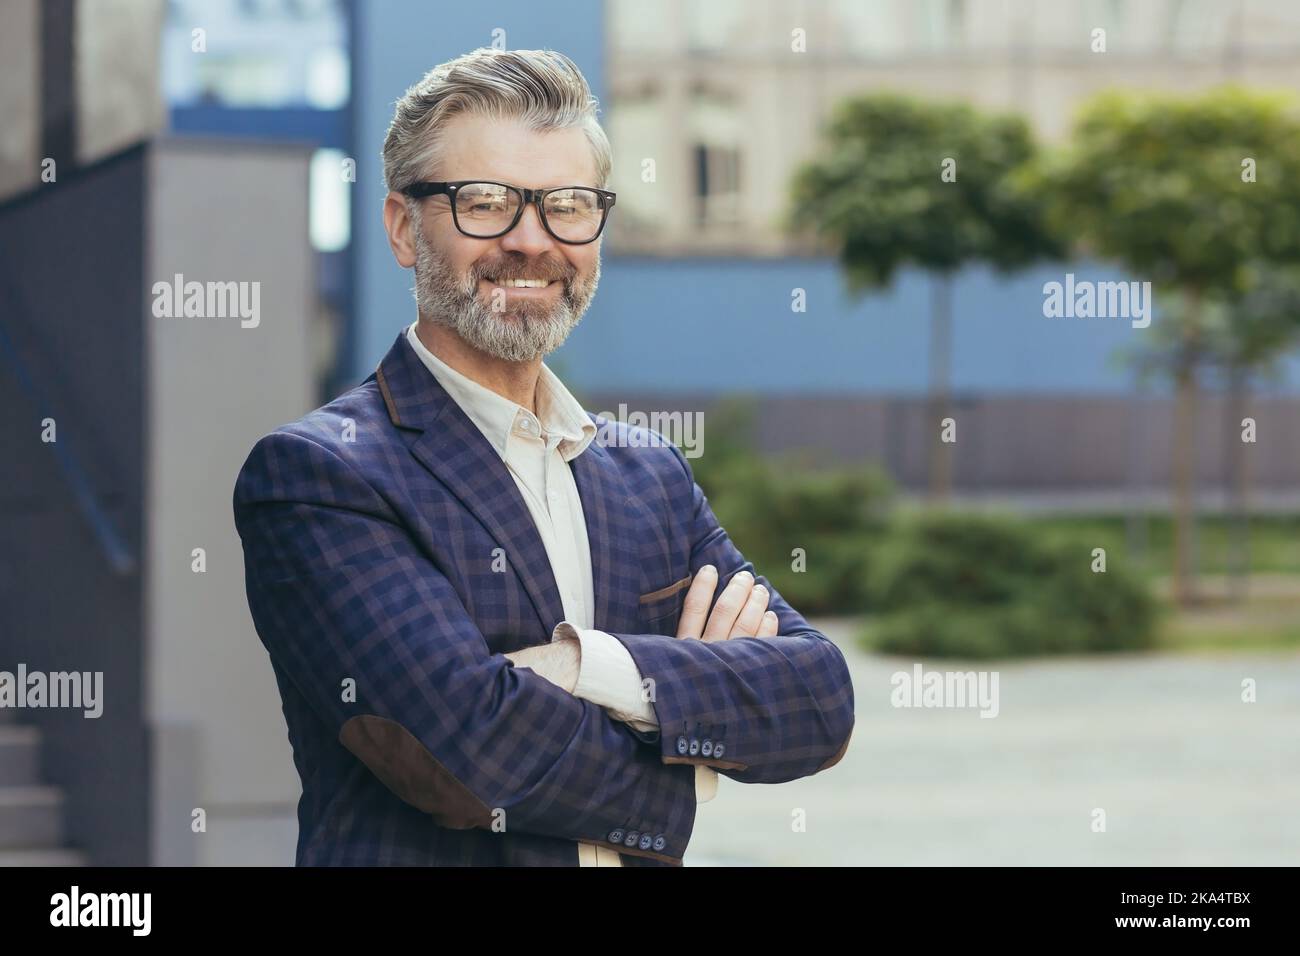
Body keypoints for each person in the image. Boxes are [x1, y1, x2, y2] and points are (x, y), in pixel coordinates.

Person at [233, 47, 854, 866]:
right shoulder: (322, 475)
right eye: (485, 203)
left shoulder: (648, 476)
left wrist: (581, 666)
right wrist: (691, 733)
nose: (532, 241)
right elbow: (465, 762)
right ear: (402, 228)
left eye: (567, 205)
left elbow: (817, 698)